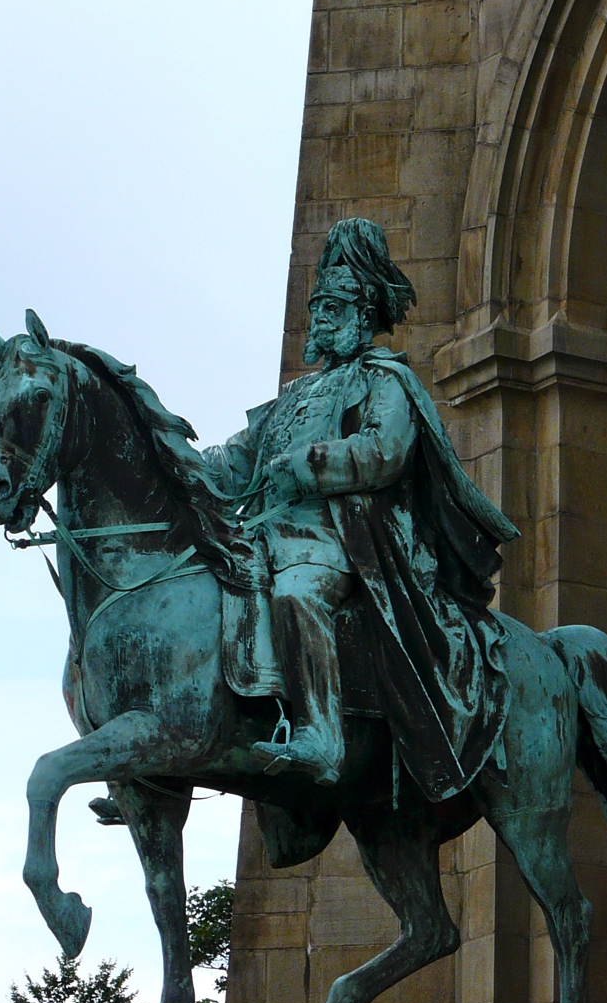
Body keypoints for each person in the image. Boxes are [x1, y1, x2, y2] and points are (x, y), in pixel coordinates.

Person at [204, 218, 518, 799]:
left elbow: (385, 451)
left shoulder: (385, 381)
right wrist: (182, 464)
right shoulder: (294, 395)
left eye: (336, 306)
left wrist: (308, 462)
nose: (322, 315)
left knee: (297, 593)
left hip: (339, 542)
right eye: (319, 304)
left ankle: (321, 734)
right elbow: (236, 461)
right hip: (268, 536)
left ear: (364, 313)